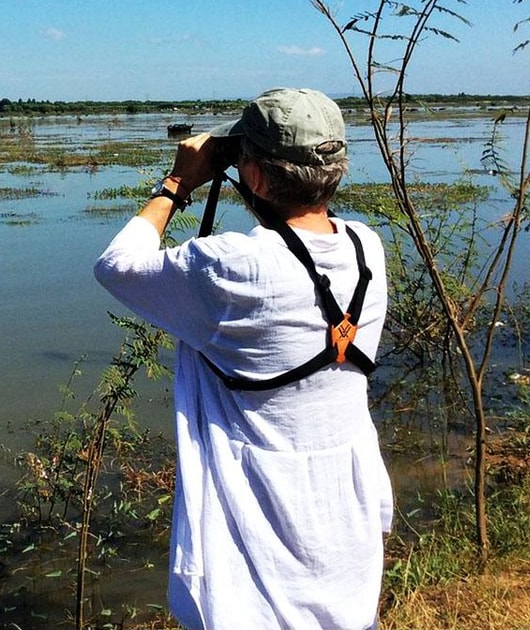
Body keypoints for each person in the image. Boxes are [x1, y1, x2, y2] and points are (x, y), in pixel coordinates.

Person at [93, 87, 393, 630]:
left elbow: (117, 265)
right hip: (344, 520)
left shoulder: (231, 266)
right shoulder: (365, 248)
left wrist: (177, 183)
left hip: (258, 534)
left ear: (253, 177)